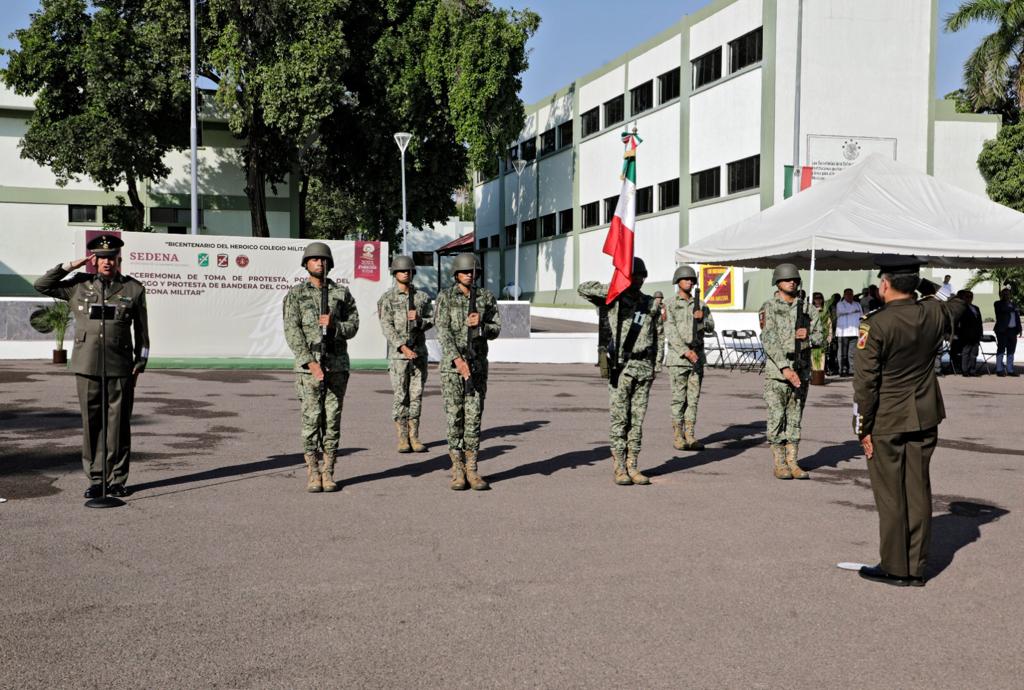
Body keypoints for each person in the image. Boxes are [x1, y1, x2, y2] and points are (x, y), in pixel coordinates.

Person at [853, 256, 966, 587]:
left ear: (884, 285)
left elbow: (865, 384)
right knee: (918, 491)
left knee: (890, 495)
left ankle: (894, 566)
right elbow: (958, 300)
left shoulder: (875, 324)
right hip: (925, 414)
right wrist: (925, 285)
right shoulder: (932, 313)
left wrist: (863, 428)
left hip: (887, 419)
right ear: (913, 284)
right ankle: (916, 568)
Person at [34, 234, 149, 498]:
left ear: (118, 259)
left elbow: (143, 333)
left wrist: (140, 362)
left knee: (119, 426)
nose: (107, 263)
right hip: (86, 366)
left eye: (112, 258)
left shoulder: (133, 289)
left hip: (121, 366)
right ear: (94, 260)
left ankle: (118, 479)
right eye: (102, 258)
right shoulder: (78, 286)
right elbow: (42, 285)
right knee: (92, 424)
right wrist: (71, 266)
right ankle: (97, 479)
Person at [579, 257, 665, 485]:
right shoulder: (615, 299)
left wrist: (656, 365)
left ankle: (633, 465)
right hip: (622, 368)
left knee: (637, 421)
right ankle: (619, 467)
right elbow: (583, 289)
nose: (637, 279)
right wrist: (615, 285)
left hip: (644, 368)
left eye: (640, 275)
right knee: (620, 420)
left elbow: (658, 335)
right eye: (633, 275)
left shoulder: (649, 304)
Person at [283, 242, 359, 493]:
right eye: (314, 259)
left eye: (323, 259)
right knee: (311, 419)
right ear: (306, 264)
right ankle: (313, 471)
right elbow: (292, 332)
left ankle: (328, 471)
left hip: (337, 367)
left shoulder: (341, 293)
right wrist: (310, 362)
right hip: (309, 369)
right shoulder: (295, 295)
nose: (319, 262)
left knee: (333, 420)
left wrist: (335, 325)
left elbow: (354, 325)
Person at [435, 253, 501, 490]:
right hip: (453, 369)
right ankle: (457, 469)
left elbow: (496, 329)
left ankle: (472, 469)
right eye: (465, 272)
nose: (470, 275)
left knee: (473, 418)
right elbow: (442, 330)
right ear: (456, 274)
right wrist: (457, 360)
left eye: (473, 272)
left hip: (477, 367)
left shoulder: (485, 297)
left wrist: (481, 324)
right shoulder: (445, 297)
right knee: (455, 418)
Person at [758, 263, 823, 480]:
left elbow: (822, 338)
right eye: (787, 280)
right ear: (778, 282)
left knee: (795, 418)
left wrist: (809, 337)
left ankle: (793, 461)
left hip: (801, 371)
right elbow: (768, 340)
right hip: (778, 373)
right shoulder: (769, 307)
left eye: (795, 279)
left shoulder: (807, 309)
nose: (792, 282)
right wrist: (785, 368)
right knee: (777, 417)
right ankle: (779, 463)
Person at [377, 255, 433, 453]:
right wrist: (402, 346)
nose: (405, 274)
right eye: (401, 271)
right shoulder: (388, 299)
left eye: (409, 271)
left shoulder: (422, 297)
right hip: (399, 356)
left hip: (418, 354)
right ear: (395, 274)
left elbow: (432, 320)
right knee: (401, 396)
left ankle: (414, 436)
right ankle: (402, 438)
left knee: (416, 395)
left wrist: (419, 320)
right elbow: (386, 326)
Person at [664, 265, 715, 451]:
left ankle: (690, 434)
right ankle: (678, 435)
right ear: (678, 281)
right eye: (686, 279)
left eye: (692, 280)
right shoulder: (669, 304)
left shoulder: (700, 304)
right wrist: (685, 351)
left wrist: (702, 319)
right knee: (679, 398)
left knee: (693, 399)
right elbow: (669, 330)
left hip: (697, 357)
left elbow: (711, 327)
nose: (690, 282)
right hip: (679, 358)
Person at [835, 288, 864, 376]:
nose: (849, 296)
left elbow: (861, 316)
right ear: (844, 295)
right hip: (843, 332)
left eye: (851, 294)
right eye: (847, 294)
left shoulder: (857, 304)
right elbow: (842, 311)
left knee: (853, 352)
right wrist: (854, 311)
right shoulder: (840, 304)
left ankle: (852, 370)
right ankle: (842, 370)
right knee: (842, 353)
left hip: (855, 331)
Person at [994, 287, 1021, 377]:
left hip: (1013, 330)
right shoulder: (998, 304)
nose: (1006, 296)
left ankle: (1010, 370)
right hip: (1002, 330)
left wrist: (1020, 329)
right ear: (1001, 295)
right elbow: (1003, 310)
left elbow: (1017, 317)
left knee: (1011, 351)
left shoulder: (1013, 304)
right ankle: (999, 369)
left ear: (1010, 295)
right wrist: (1013, 308)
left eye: (1008, 294)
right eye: (1004, 294)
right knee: (1001, 350)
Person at [955, 290, 983, 376]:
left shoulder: (976, 308)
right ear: (963, 297)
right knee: (966, 352)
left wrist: (980, 333)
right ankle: (965, 370)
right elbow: (958, 321)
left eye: (971, 296)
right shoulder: (961, 307)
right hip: (966, 333)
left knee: (974, 353)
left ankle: (972, 370)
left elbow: (979, 322)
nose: (969, 298)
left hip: (976, 334)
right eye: (967, 296)